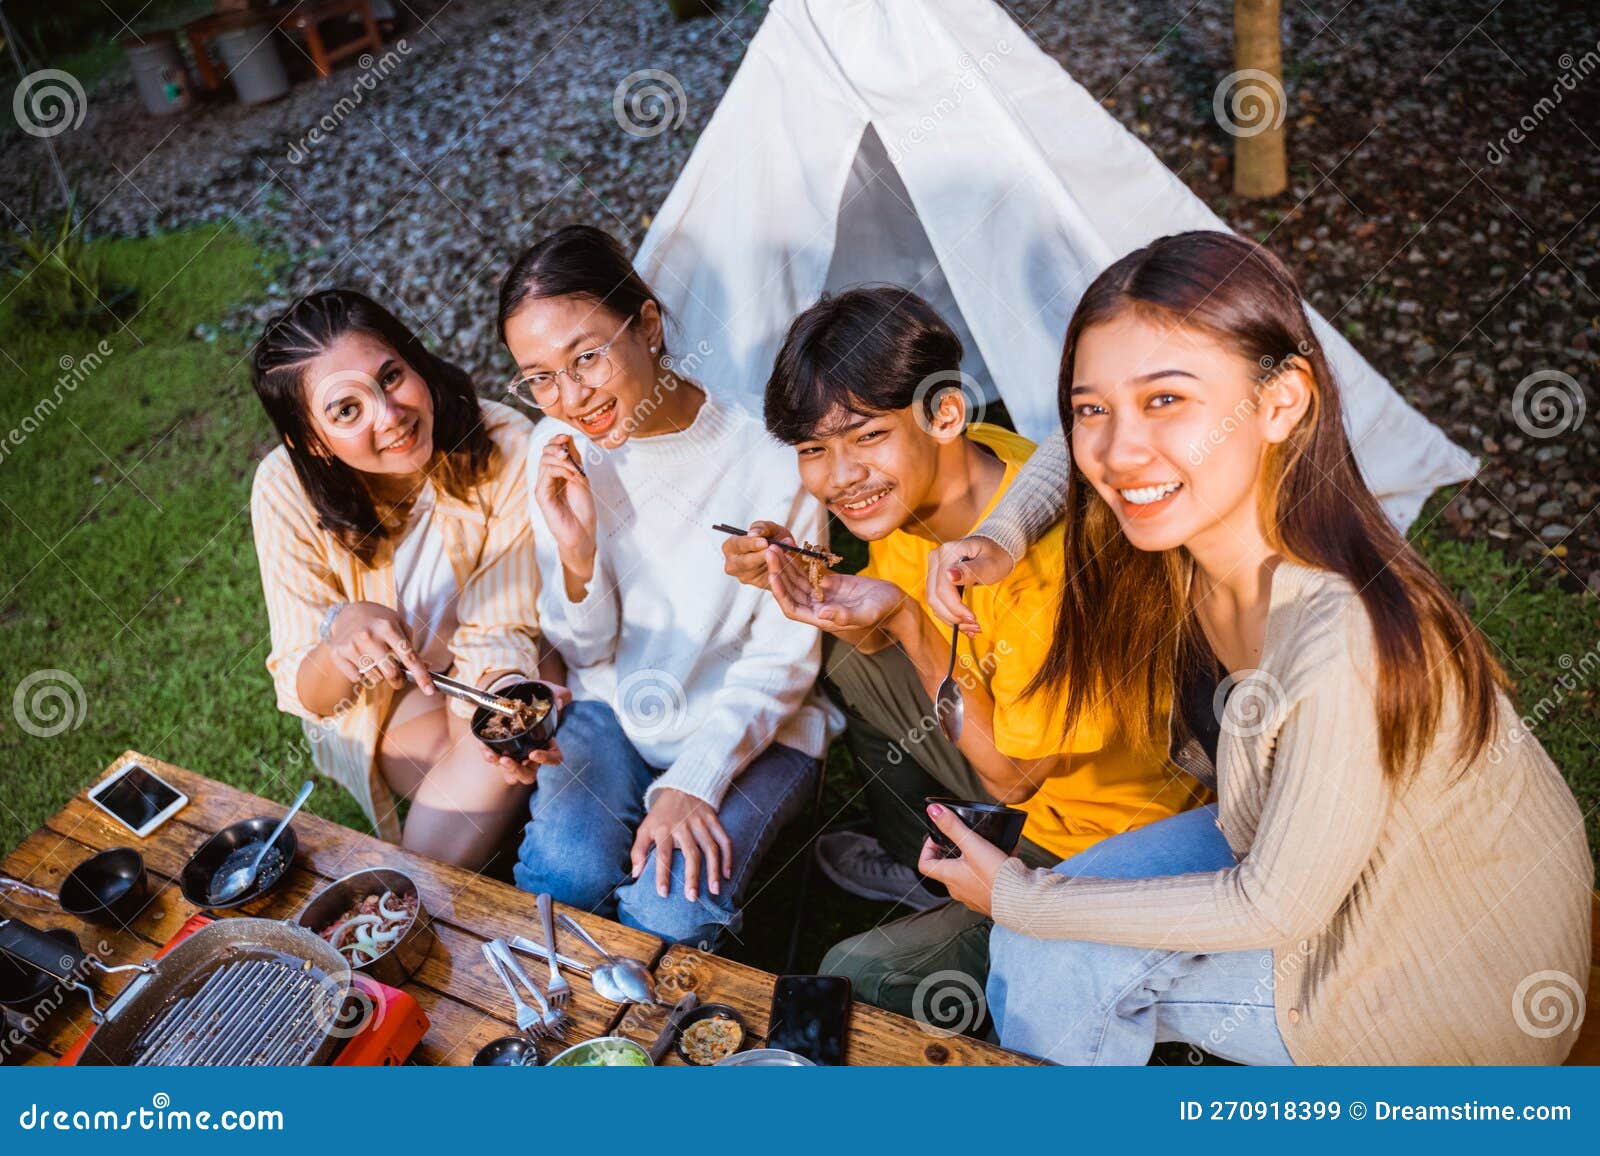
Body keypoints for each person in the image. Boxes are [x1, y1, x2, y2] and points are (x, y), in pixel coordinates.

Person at [917, 230, 1593, 1065]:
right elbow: (1073, 449)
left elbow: (1275, 908)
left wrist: (1022, 897)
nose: (1120, 451)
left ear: (1280, 402)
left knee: (1049, 961)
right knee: (1040, 947)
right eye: (1095, 406)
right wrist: (1003, 535)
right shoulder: (1202, 531)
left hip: (1443, 975)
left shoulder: (1344, 639)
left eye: (1167, 400)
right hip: (1294, 839)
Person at [722, 286, 1203, 1019]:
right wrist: (815, 589)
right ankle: (927, 863)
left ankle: (979, 906)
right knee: (853, 660)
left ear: (944, 412)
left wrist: (913, 626)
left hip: (1098, 831)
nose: (839, 476)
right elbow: (882, 633)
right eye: (814, 449)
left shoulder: (1044, 584)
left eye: (866, 436)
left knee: (856, 976)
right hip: (1002, 730)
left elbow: (1013, 781)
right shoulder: (936, 487)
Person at [499, 226, 836, 948]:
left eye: (586, 357)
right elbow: (583, 649)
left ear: (648, 326)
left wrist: (696, 779)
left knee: (667, 913)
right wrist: (578, 552)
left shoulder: (770, 454)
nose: (571, 396)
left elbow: (784, 656)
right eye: (540, 377)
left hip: (755, 724)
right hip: (616, 710)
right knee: (564, 877)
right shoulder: (553, 450)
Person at [250, 289, 563, 868]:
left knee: (494, 746)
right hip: (391, 702)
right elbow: (308, 692)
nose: (389, 418)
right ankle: (505, 839)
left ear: (414, 359)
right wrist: (339, 633)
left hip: (503, 664)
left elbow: (501, 628)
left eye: (391, 377)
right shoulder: (282, 488)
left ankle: (415, 895)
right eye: (348, 410)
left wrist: (491, 716)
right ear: (311, 442)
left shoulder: (508, 444)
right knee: (474, 766)